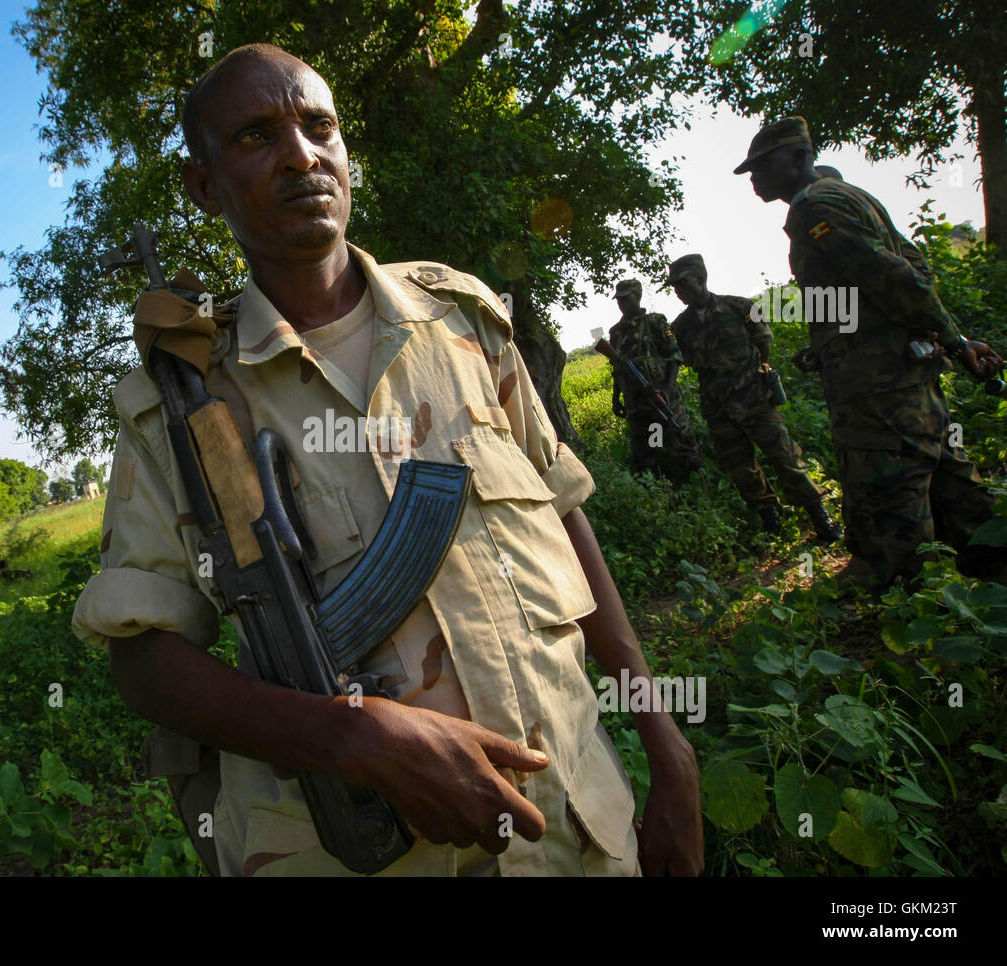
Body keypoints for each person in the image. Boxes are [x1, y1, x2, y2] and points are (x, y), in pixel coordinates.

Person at [73, 43, 703, 878]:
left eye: (319, 127)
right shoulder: (181, 410)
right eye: (257, 137)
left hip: (577, 825)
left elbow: (562, 511)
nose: (302, 155)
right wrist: (349, 737)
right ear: (204, 186)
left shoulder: (465, 319)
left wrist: (663, 739)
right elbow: (144, 659)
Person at [738, 115, 1004, 587]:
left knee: (889, 501)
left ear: (800, 158)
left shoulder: (815, 206)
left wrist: (955, 340)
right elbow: (904, 269)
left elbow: (895, 278)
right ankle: (989, 583)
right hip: (901, 377)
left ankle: (906, 615)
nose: (754, 177)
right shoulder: (851, 197)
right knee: (952, 486)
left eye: (762, 165)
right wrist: (825, 345)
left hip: (879, 389)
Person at [667, 253, 841, 541]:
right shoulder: (681, 326)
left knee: (784, 456)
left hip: (754, 399)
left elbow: (763, 342)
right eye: (675, 287)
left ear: (701, 278)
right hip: (717, 406)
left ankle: (818, 515)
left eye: (684, 284)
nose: (679, 291)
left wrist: (759, 375)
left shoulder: (740, 307)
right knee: (740, 466)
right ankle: (770, 519)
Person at [607, 278, 703, 483]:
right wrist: (616, 398)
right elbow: (617, 368)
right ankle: (659, 487)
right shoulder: (616, 332)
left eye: (626, 299)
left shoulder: (655, 322)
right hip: (638, 404)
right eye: (619, 300)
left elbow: (674, 356)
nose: (622, 304)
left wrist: (667, 389)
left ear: (638, 297)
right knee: (650, 447)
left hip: (662, 397)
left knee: (680, 443)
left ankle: (689, 488)